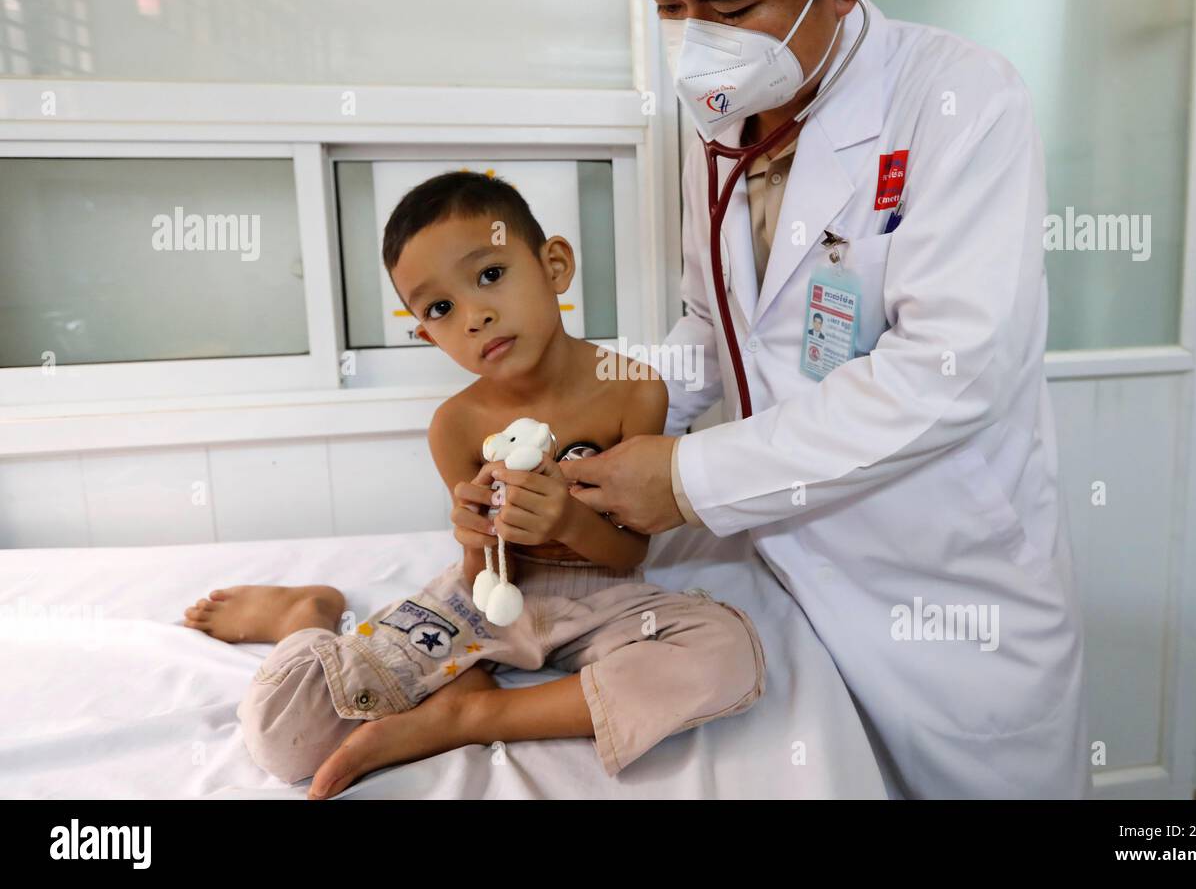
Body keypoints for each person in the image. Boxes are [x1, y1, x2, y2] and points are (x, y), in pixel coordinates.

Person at [560, 0, 1090, 797]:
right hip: (788, 572)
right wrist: (590, 410)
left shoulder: (959, 98)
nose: (694, 42)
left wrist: (692, 475)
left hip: (942, 588)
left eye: (728, 7)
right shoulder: (725, 114)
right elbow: (717, 323)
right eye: (666, 5)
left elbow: (947, 373)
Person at [182, 171, 765, 798]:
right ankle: (305, 612)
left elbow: (631, 552)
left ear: (554, 265)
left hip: (601, 598)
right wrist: (475, 533)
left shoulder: (633, 389)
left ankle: (471, 712)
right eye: (439, 309)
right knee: (280, 732)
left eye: (489, 275)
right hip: (488, 600)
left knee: (723, 652)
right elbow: (481, 571)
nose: (475, 316)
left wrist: (568, 522)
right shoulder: (455, 425)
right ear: (426, 334)